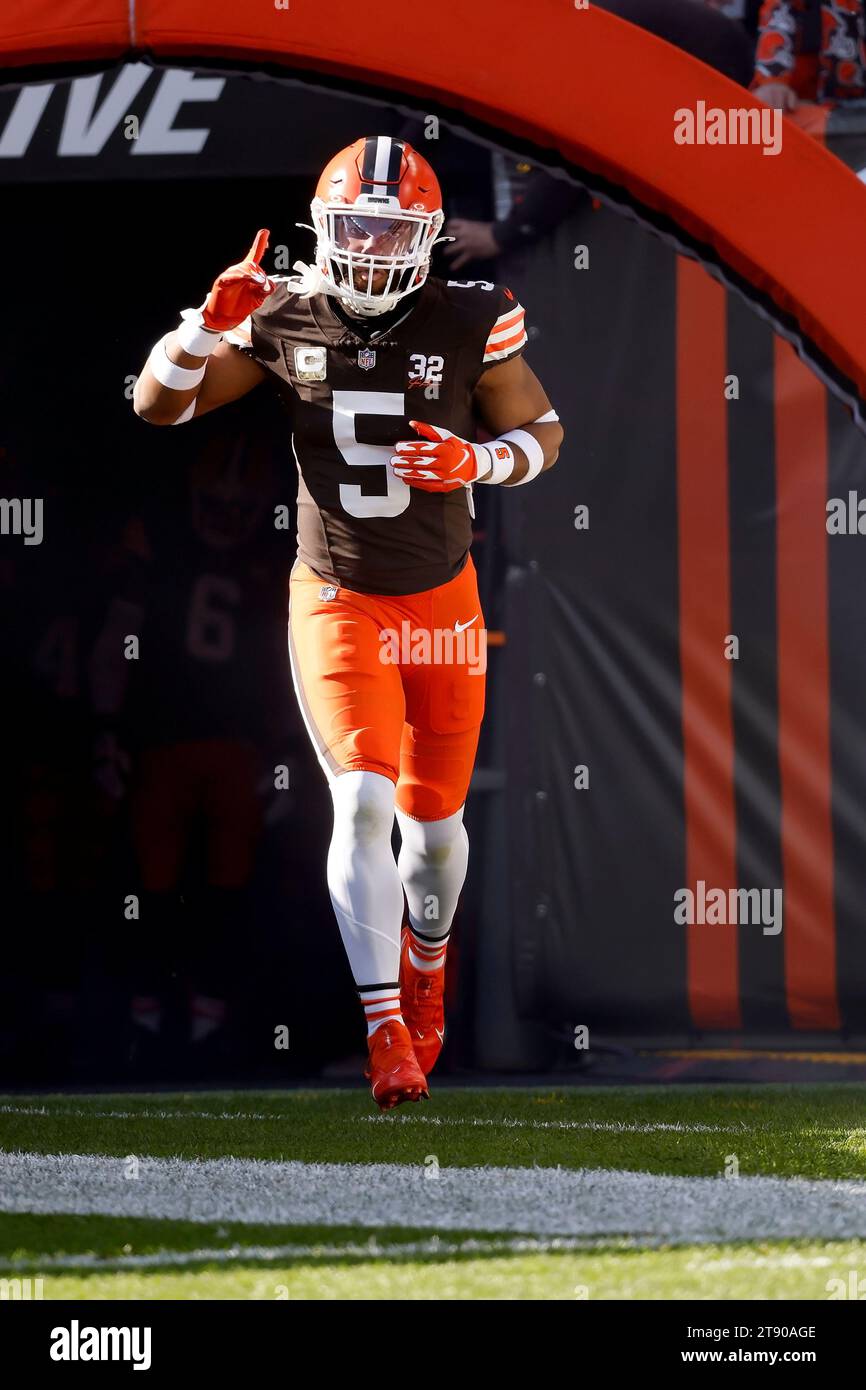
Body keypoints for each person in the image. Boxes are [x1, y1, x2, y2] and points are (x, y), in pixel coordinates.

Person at [132, 136, 563, 1109]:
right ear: (322, 231)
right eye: (355, 227)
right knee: (362, 804)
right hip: (335, 595)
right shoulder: (286, 312)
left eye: (391, 228)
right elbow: (159, 406)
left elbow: (543, 429)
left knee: (435, 835)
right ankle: (382, 1029)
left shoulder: (468, 315)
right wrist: (203, 328)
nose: (369, 248)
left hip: (442, 599)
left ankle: (426, 964)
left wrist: (479, 464)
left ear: (423, 237)